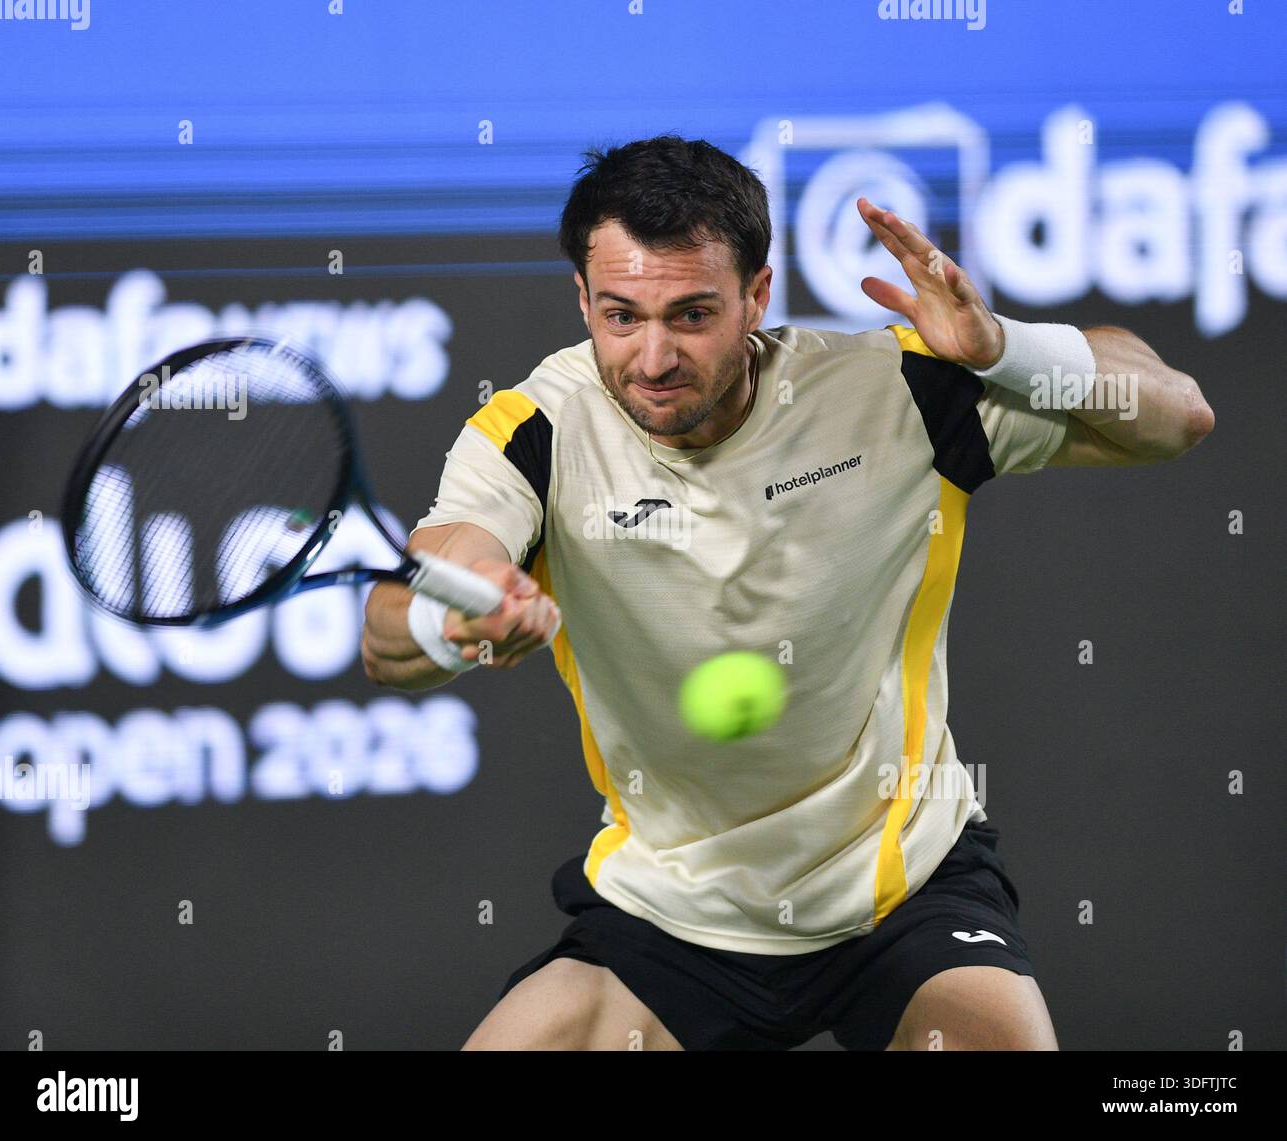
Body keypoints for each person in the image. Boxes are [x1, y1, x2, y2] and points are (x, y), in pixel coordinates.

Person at [360, 134, 1214, 1051]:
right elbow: (388, 637)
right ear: (583, 300)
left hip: (901, 890)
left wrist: (1004, 349)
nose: (651, 357)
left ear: (757, 296)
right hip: (672, 908)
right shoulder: (532, 431)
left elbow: (1177, 415)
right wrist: (459, 616)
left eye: (691, 315)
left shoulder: (893, 392)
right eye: (620, 316)